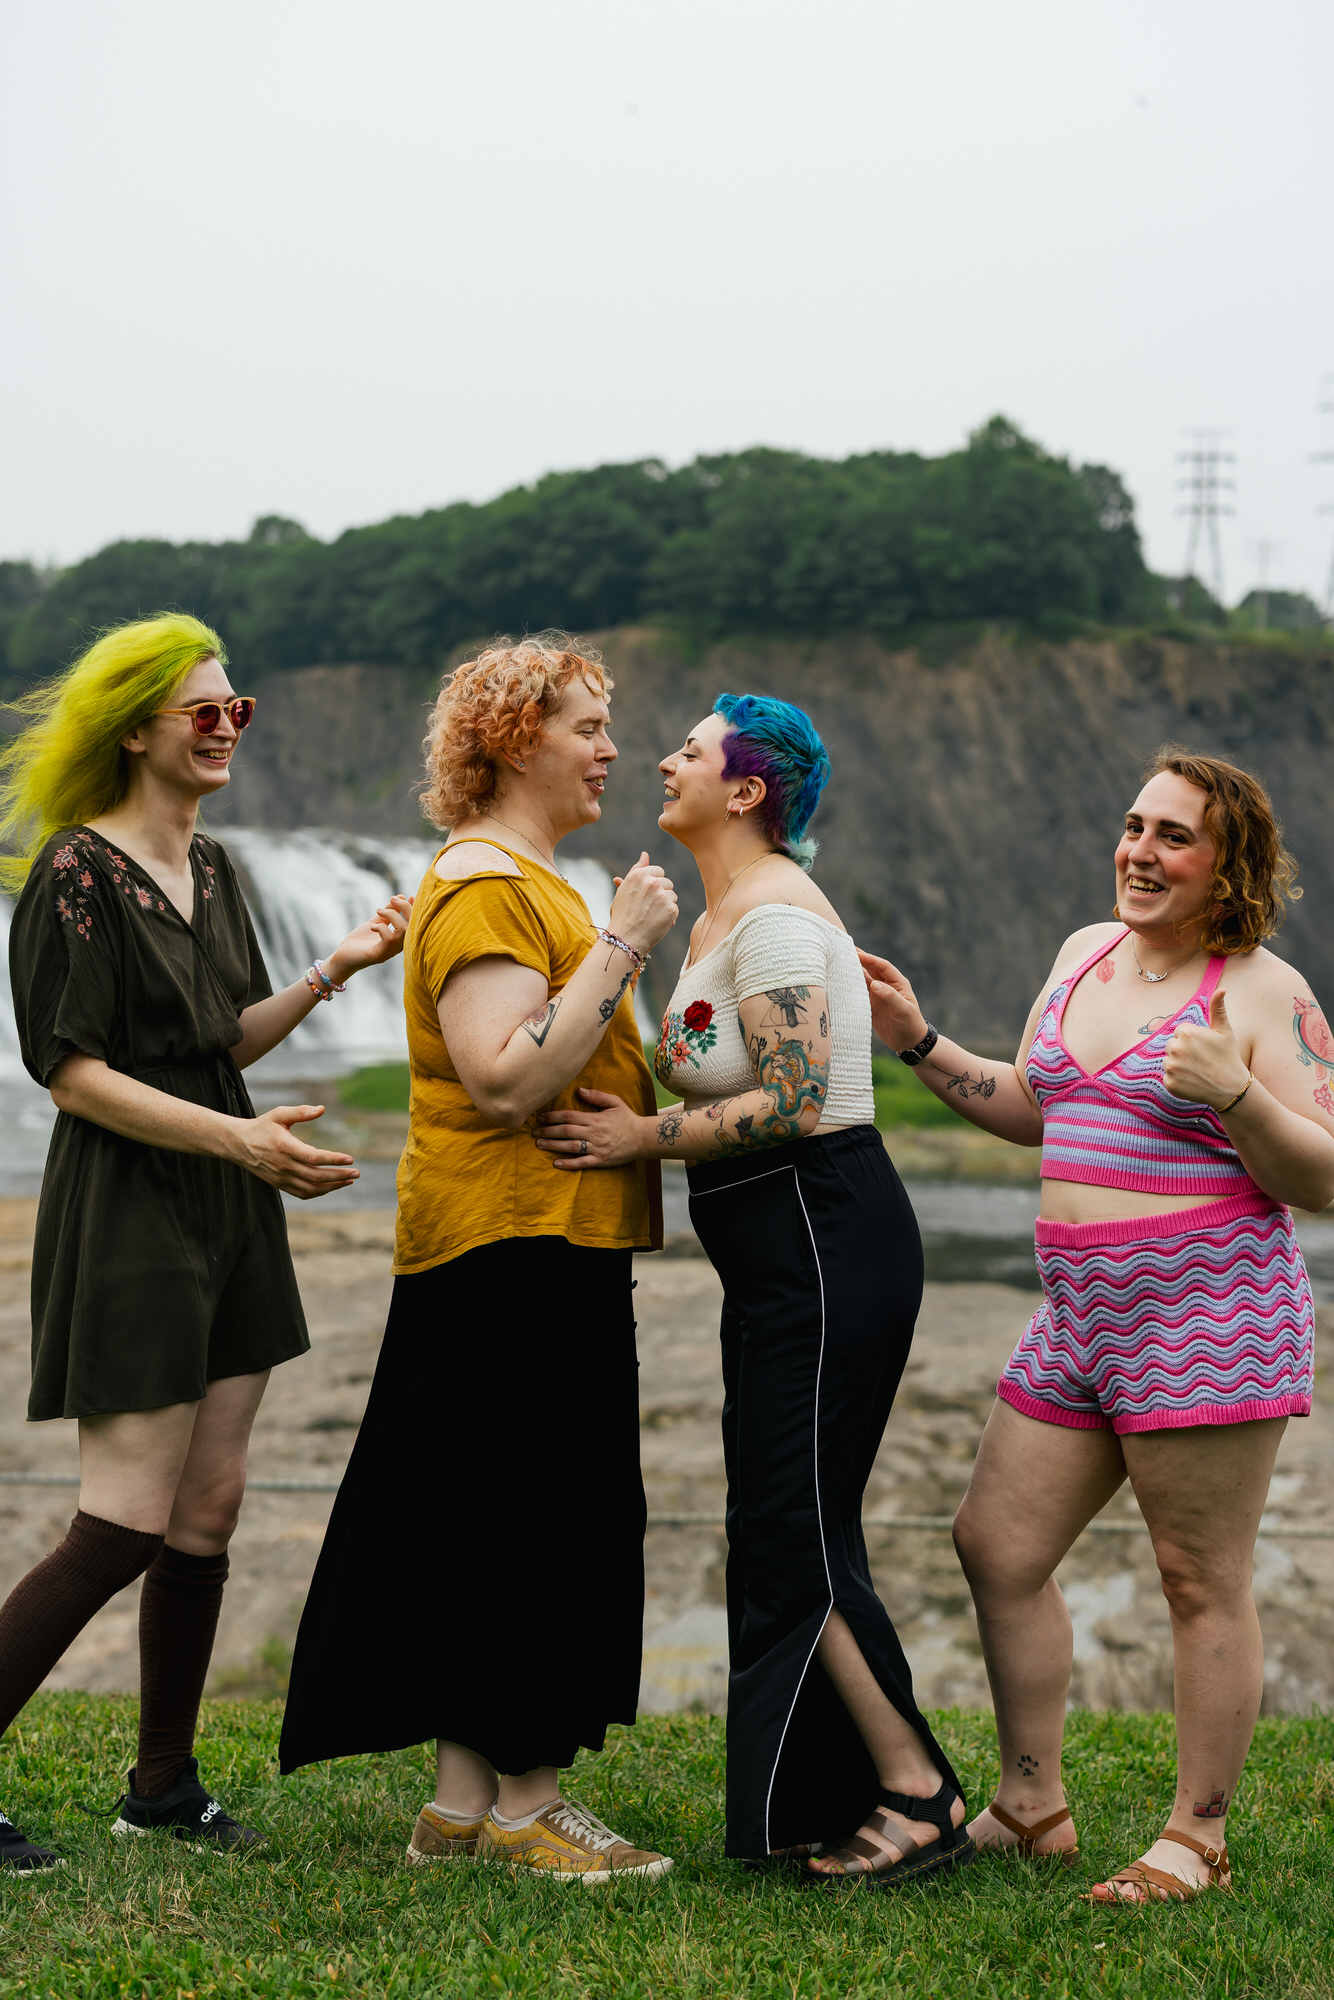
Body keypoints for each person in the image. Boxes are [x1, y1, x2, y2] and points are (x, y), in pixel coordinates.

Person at [857, 747, 1332, 1904]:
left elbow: (1320, 1176)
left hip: (1207, 1314)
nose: (1138, 851)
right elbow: (1034, 1105)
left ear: (1228, 866)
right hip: (1076, 1313)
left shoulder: (1262, 990)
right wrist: (918, 1039)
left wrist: (1233, 1091)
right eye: (1132, 826)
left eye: (1172, 835)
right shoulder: (1081, 952)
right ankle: (1031, 1804)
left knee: (1194, 1576)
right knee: (995, 1546)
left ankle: (1194, 1839)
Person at [535, 693, 972, 1888]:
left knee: (790, 1522)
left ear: (743, 791)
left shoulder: (774, 915)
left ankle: (917, 1792)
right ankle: (832, 1790)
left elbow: (789, 1099)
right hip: (782, 1253)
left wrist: (639, 1139)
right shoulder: (722, 912)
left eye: (689, 749)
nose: (661, 760)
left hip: (824, 1233)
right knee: (783, 1518)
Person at [0, 613, 411, 1876]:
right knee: (121, 1521)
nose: (227, 725)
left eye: (239, 707)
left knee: (209, 1506)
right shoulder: (76, 870)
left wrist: (335, 968)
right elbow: (70, 1072)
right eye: (204, 710)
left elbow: (220, 1040)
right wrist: (241, 1142)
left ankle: (163, 1786)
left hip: (228, 1201)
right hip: (130, 1205)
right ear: (137, 729)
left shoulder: (218, 866)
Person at [279, 635, 678, 1884]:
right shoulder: (483, 881)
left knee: (487, 1514)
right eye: (586, 726)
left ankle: (459, 1806)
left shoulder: (526, 877)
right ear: (513, 740)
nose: (610, 749)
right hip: (512, 1242)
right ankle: (528, 1805)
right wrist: (624, 943)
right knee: (538, 1520)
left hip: (535, 1238)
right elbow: (503, 1076)